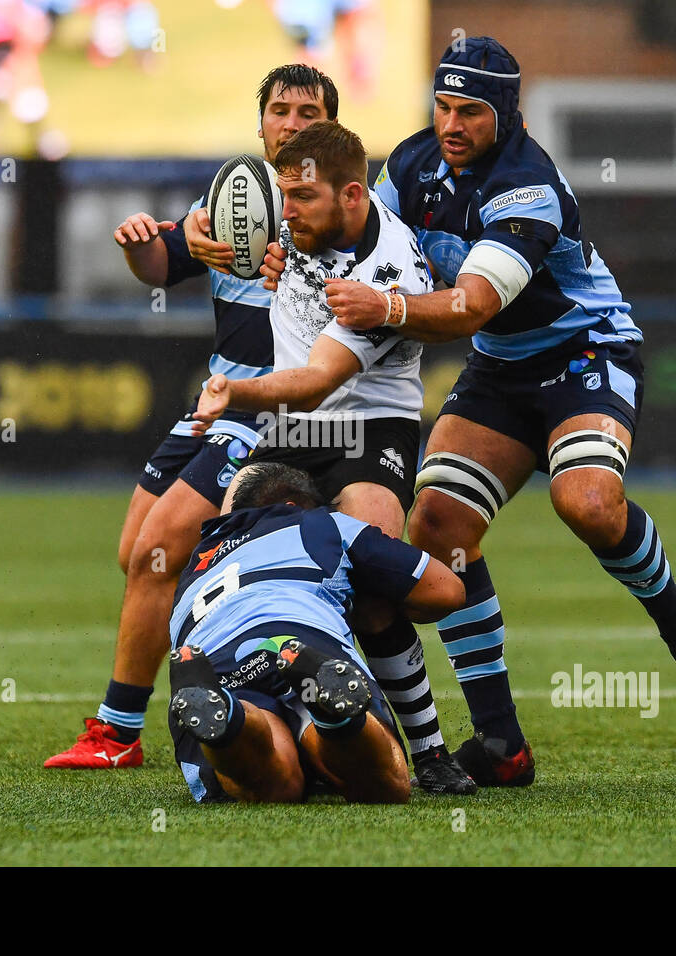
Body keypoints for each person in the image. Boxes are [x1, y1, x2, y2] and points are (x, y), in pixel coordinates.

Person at [261, 36, 676, 788]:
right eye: (443, 106)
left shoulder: (527, 187)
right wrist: (290, 251)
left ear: (506, 115)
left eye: (471, 112)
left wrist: (385, 304)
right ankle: (501, 743)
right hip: (502, 368)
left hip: (585, 353)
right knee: (439, 529)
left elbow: (471, 304)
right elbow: (359, 240)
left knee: (585, 503)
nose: (452, 124)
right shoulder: (412, 162)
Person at [43, 65, 337, 770]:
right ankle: (233, 677)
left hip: (273, 412)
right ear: (260, 124)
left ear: (330, 127)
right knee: (137, 556)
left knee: (158, 552)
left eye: (308, 111)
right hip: (216, 401)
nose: (292, 123)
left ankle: (119, 732)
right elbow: (157, 265)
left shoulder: (345, 210)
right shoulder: (235, 199)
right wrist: (143, 238)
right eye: (280, 110)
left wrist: (295, 265)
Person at [189, 119, 476, 794]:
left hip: (370, 428)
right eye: (282, 201)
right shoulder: (291, 214)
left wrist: (234, 391)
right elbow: (211, 229)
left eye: (301, 202)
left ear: (352, 195)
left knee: (373, 563)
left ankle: (429, 752)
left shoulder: (386, 271)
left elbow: (319, 380)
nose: (286, 215)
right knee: (234, 544)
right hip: (293, 426)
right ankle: (257, 725)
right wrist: (198, 238)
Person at [167, 462, 466, 804]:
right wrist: (368, 590)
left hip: (215, 657)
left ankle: (229, 717)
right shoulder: (322, 523)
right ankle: (330, 714)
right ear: (294, 506)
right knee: (384, 784)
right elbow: (447, 590)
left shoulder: (194, 566)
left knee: (277, 786)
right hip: (303, 636)